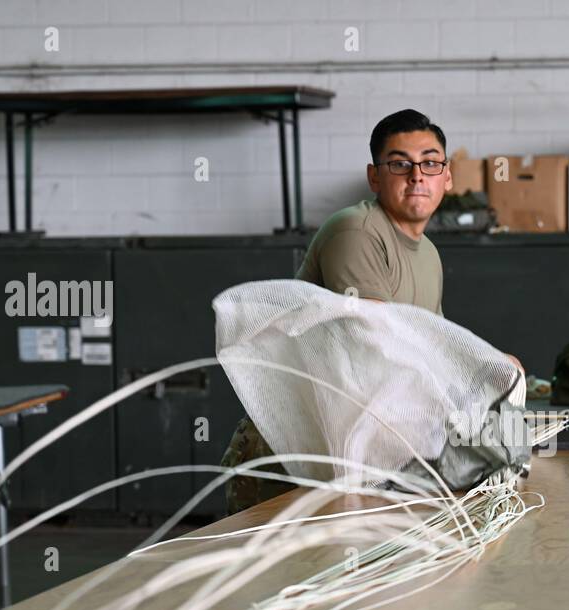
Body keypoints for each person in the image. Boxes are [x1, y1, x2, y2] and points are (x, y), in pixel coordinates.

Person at [220, 109, 523, 514]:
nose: (417, 175)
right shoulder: (356, 232)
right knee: (291, 574)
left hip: (360, 454)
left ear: (447, 177)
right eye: (400, 164)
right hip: (295, 452)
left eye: (430, 163)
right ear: (374, 177)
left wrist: (491, 376)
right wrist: (486, 368)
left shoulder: (428, 254)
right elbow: (381, 349)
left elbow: (431, 357)